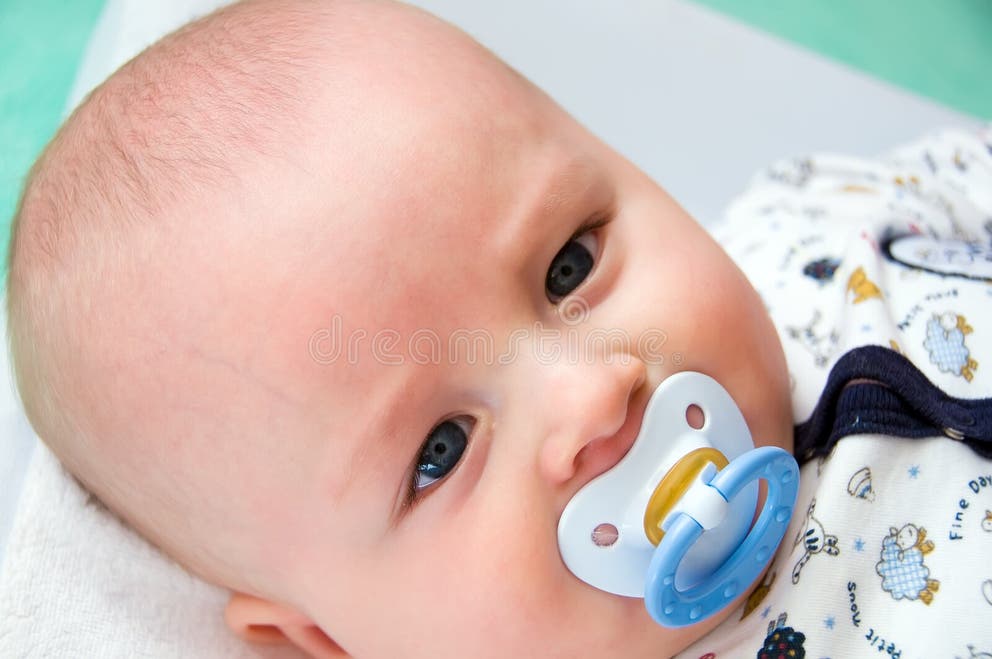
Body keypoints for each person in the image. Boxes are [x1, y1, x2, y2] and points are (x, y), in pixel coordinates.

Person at [4, 0, 989, 656]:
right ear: (328, 642)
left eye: (570, 264)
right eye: (438, 450)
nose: (592, 392)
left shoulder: (811, 227)